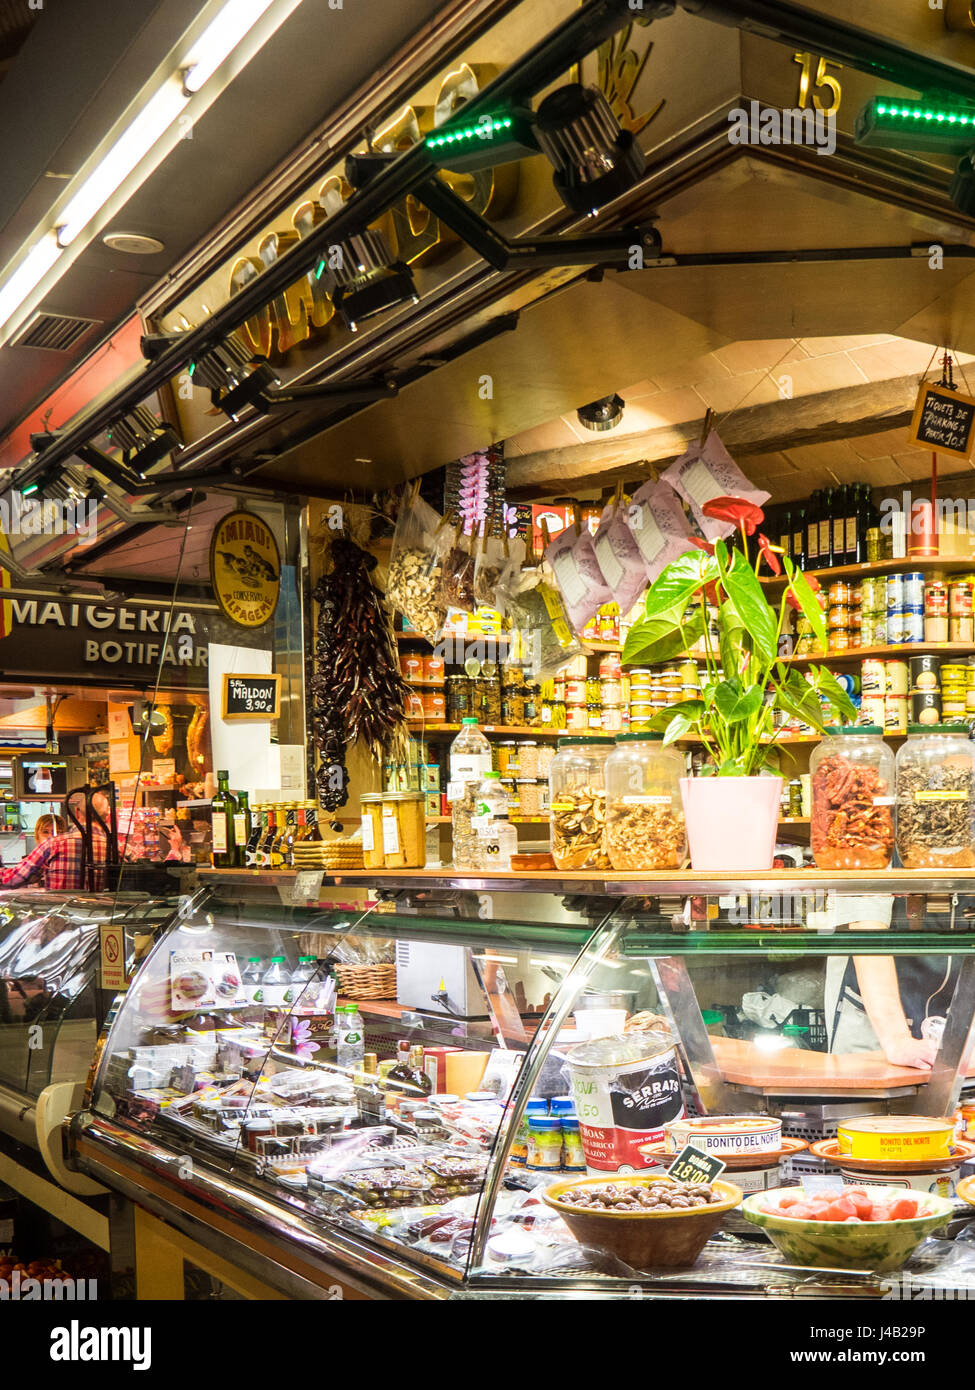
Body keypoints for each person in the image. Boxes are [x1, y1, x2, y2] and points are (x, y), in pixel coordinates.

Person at [826, 893, 960, 1070]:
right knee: (872, 1094)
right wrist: (896, 1039)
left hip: (951, 1020)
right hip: (874, 1025)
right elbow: (867, 928)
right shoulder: (874, 864)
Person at [0, 793, 111, 891]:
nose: (52, 834)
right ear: (107, 817)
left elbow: (11, 879)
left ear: (77, 812)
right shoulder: (119, 849)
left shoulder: (52, 845)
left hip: (61, 912)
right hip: (101, 913)